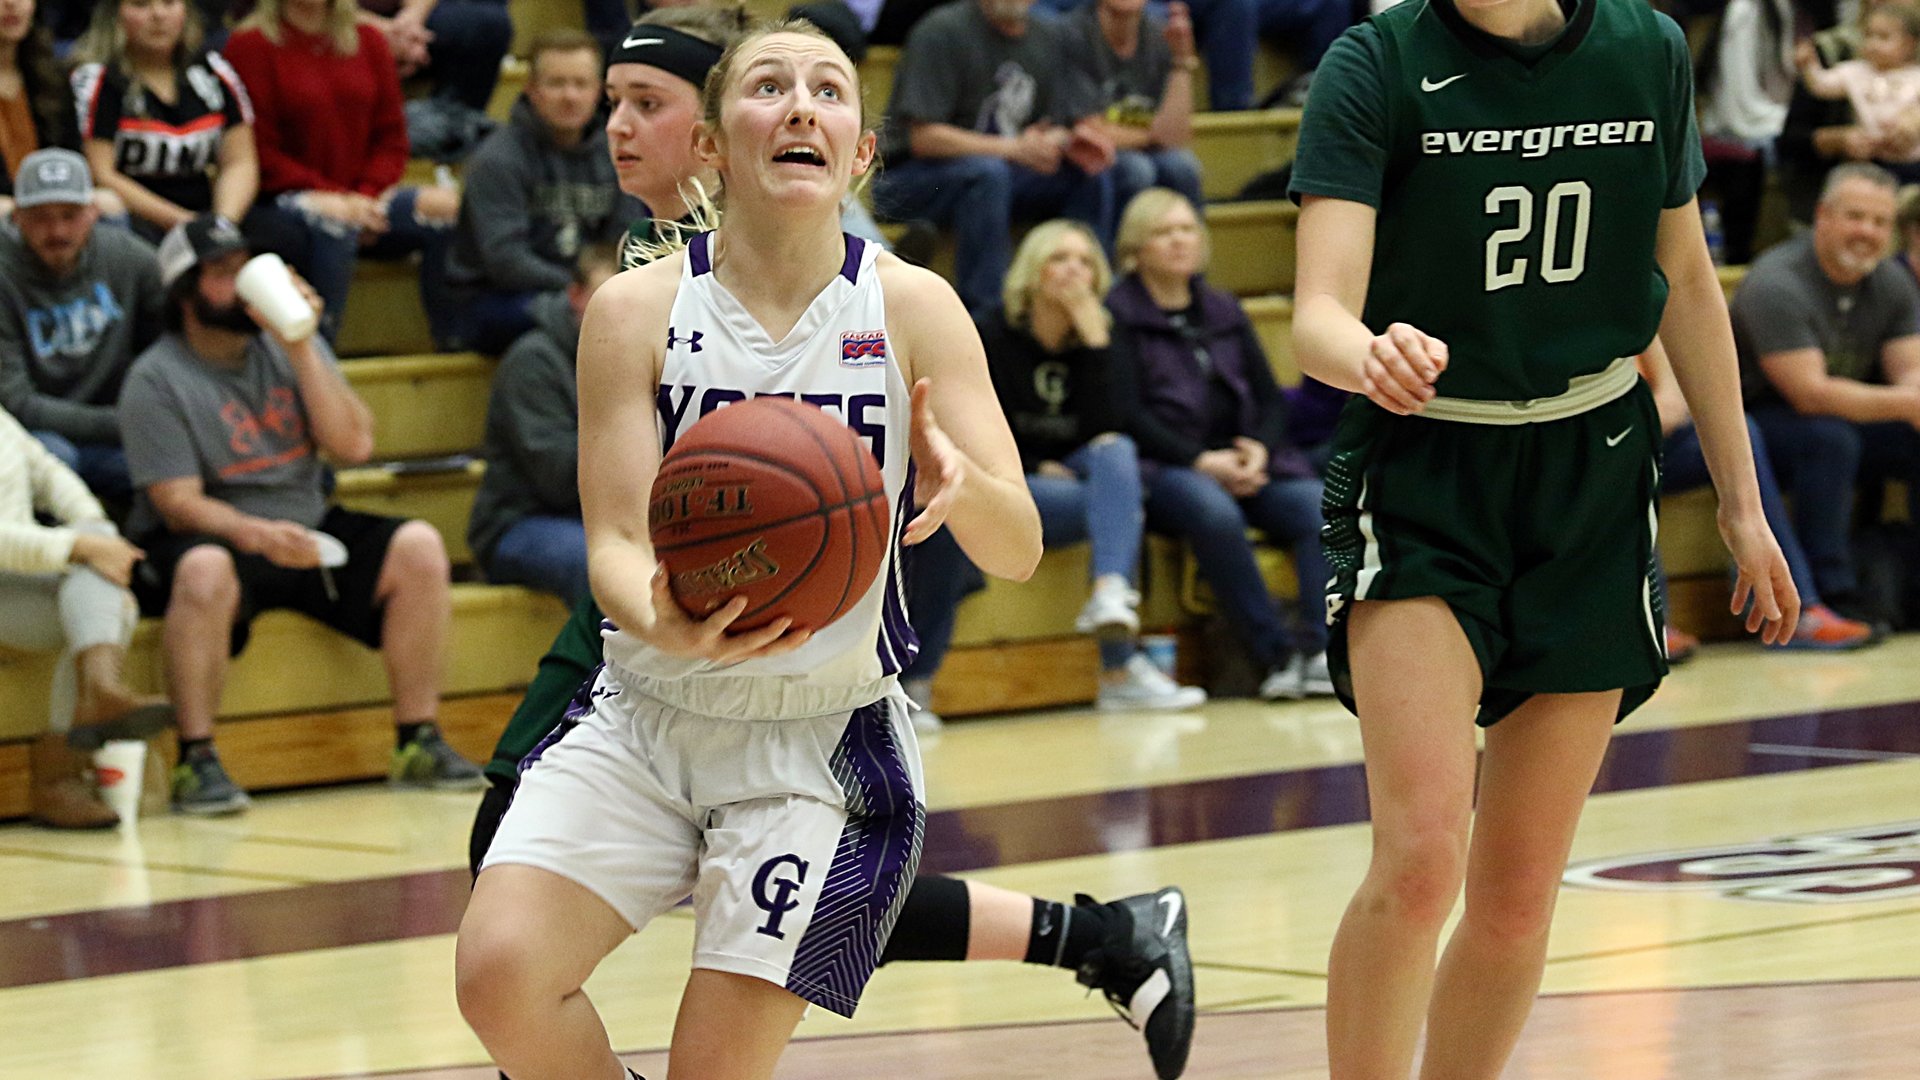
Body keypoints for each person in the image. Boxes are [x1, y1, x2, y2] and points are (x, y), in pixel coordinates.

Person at [463, 21, 1199, 1077]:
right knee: (499, 977)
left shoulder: (913, 306)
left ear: (860, 152)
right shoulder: (633, 311)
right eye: (769, 86)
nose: (802, 104)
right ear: (712, 143)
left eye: (829, 90)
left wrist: (963, 487)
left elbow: (1021, 549)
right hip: (644, 711)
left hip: (818, 742)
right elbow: (616, 541)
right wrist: (663, 617)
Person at [1288, 0, 1797, 1075]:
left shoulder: (1646, 49)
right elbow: (1315, 315)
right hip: (1427, 466)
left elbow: (1687, 279)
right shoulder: (1375, 63)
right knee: (1422, 861)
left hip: (1592, 470)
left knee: (1518, 895)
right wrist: (1369, 352)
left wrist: (1743, 506)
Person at [118, 212, 481, 815]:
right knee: (204, 569)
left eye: (245, 268)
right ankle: (195, 759)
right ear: (184, 292)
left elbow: (354, 445)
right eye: (221, 272)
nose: (241, 283)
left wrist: (302, 344)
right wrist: (256, 533)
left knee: (418, 545)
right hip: (219, 532)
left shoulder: (289, 344)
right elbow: (176, 504)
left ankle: (417, 739)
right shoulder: (154, 378)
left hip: (307, 521)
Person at [1108, 187, 1331, 699]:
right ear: (1136, 248)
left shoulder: (1223, 308)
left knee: (1316, 505)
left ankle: (1319, 652)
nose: (1179, 240)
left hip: (1246, 460)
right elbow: (1126, 412)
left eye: (1187, 229)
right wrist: (1200, 460)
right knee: (1214, 513)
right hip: (1167, 467)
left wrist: (1259, 449)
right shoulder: (1118, 314)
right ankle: (1274, 656)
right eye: (1164, 232)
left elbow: (1271, 399)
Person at [981, 219, 1208, 710]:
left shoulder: (1105, 332)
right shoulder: (993, 331)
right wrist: (1036, 464)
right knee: (1119, 506)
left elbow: (1110, 425)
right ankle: (1120, 671)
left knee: (1118, 452)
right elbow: (978, 425)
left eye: (1085, 261)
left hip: (1081, 483)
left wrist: (1095, 343)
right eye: (1059, 258)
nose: (1074, 270)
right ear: (1033, 270)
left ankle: (1110, 594)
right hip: (1013, 485)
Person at [1734, 162, 1920, 614]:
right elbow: (1809, 393)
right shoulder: (1776, 282)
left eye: (1880, 222)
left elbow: (1911, 371)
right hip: (1760, 421)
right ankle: (1831, 592)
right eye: (1855, 217)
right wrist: (1910, 402)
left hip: (1850, 413)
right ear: (1822, 215)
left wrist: (1912, 402)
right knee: (1828, 439)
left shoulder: (1891, 282)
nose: (1867, 232)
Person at [222, 0, 459, 346]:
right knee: (334, 220)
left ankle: (451, 341)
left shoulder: (369, 39)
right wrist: (338, 201)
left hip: (364, 198)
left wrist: (364, 197)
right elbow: (260, 152)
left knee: (447, 208)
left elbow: (392, 138)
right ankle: (320, 351)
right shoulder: (249, 46)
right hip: (284, 198)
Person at [872, 0, 1116, 318]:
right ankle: (986, 317)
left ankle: (1087, 307)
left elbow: (1053, 123)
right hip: (908, 181)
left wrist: (1063, 142)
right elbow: (924, 138)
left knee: (1089, 176)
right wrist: (1014, 148)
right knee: (987, 174)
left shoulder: (1050, 36)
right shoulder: (942, 30)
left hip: (1001, 176)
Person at [0, 401, 174, 829]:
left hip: (16, 576)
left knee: (108, 596)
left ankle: (97, 695)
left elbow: (47, 471)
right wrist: (80, 547)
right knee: (101, 583)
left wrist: (94, 527)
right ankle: (68, 756)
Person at [1641, 338, 1875, 650]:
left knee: (1744, 432)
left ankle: (1787, 610)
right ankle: (1647, 621)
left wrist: (1743, 514)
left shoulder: (1641, 314)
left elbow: (1673, 396)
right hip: (1606, 442)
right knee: (1620, 459)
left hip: (1651, 430)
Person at [446, 29, 641, 354]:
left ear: (599, 91)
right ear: (531, 89)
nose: (570, 96)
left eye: (581, 84)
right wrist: (581, 288)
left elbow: (623, 241)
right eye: (556, 83)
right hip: (497, 299)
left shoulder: (616, 155)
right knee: (582, 319)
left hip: (588, 289)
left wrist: (599, 286)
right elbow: (505, 260)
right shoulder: (496, 158)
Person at [0, 149, 166, 506]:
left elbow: (183, 332)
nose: (57, 231)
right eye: (41, 218)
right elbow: (17, 402)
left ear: (93, 212)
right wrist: (125, 422)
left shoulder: (128, 256)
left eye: (70, 215)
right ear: (17, 217)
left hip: (117, 425)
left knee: (175, 455)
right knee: (54, 460)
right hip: (35, 434)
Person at [467, 242, 619, 606]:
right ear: (575, 296)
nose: (618, 313)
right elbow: (558, 478)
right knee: (605, 568)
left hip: (600, 519)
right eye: (604, 298)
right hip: (521, 521)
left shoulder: (641, 356)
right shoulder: (533, 361)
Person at [71, 0, 259, 244]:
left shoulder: (213, 70)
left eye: (169, 2)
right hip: (134, 222)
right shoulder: (97, 79)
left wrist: (222, 223)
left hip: (208, 216)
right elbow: (101, 174)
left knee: (279, 237)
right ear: (115, 15)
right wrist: (187, 225)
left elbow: (240, 161)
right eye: (141, 4)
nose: (158, 15)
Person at [1065, 0, 1206, 225]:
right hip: (1087, 152)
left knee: (1184, 168)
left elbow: (1176, 135)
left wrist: (1181, 61)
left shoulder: (1161, 32)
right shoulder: (1072, 33)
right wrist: (1154, 135)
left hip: (1140, 144)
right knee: (1136, 170)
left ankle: (1190, 244)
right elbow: (1087, 130)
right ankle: (1120, 247)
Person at [1794, 3, 1920, 181]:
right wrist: (1809, 64)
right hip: (1869, 157)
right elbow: (1821, 86)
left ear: (1909, 44)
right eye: (1868, 35)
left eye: (1883, 37)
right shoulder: (1854, 71)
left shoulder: (1916, 75)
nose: (1873, 44)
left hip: (1912, 160)